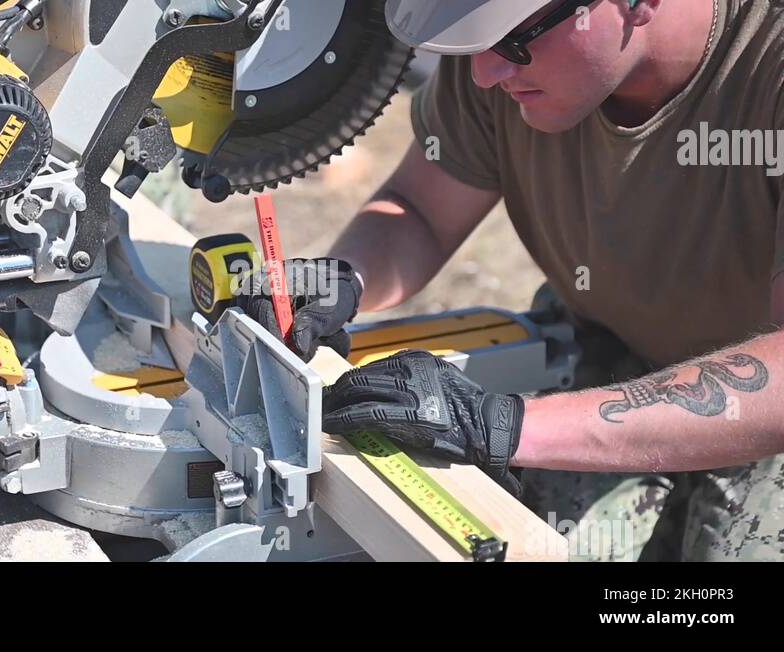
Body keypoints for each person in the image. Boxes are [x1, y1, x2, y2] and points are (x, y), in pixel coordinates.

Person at [237, 0, 784, 561]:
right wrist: (342, 281)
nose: (485, 74)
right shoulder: (500, 43)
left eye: (514, 40)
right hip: (608, 351)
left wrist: (505, 425)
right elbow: (421, 210)